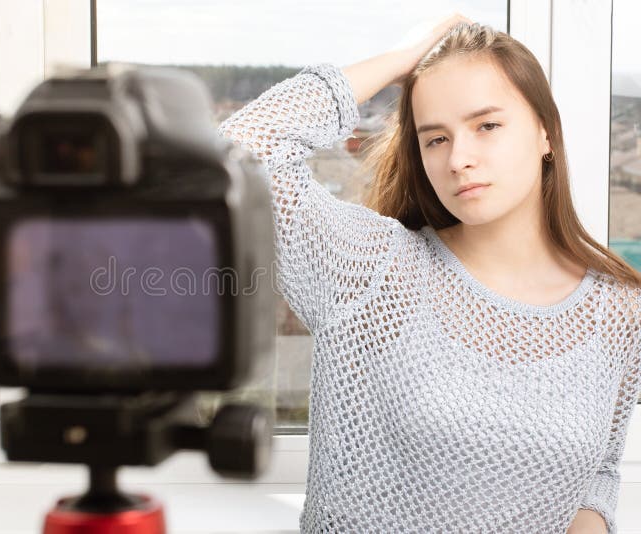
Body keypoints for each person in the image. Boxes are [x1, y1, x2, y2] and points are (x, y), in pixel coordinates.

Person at [217, 14, 641, 534]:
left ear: (545, 134)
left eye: (487, 125)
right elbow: (237, 155)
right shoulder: (372, 270)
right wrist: (400, 61)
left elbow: (596, 476)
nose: (460, 158)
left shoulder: (619, 309)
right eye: (435, 138)